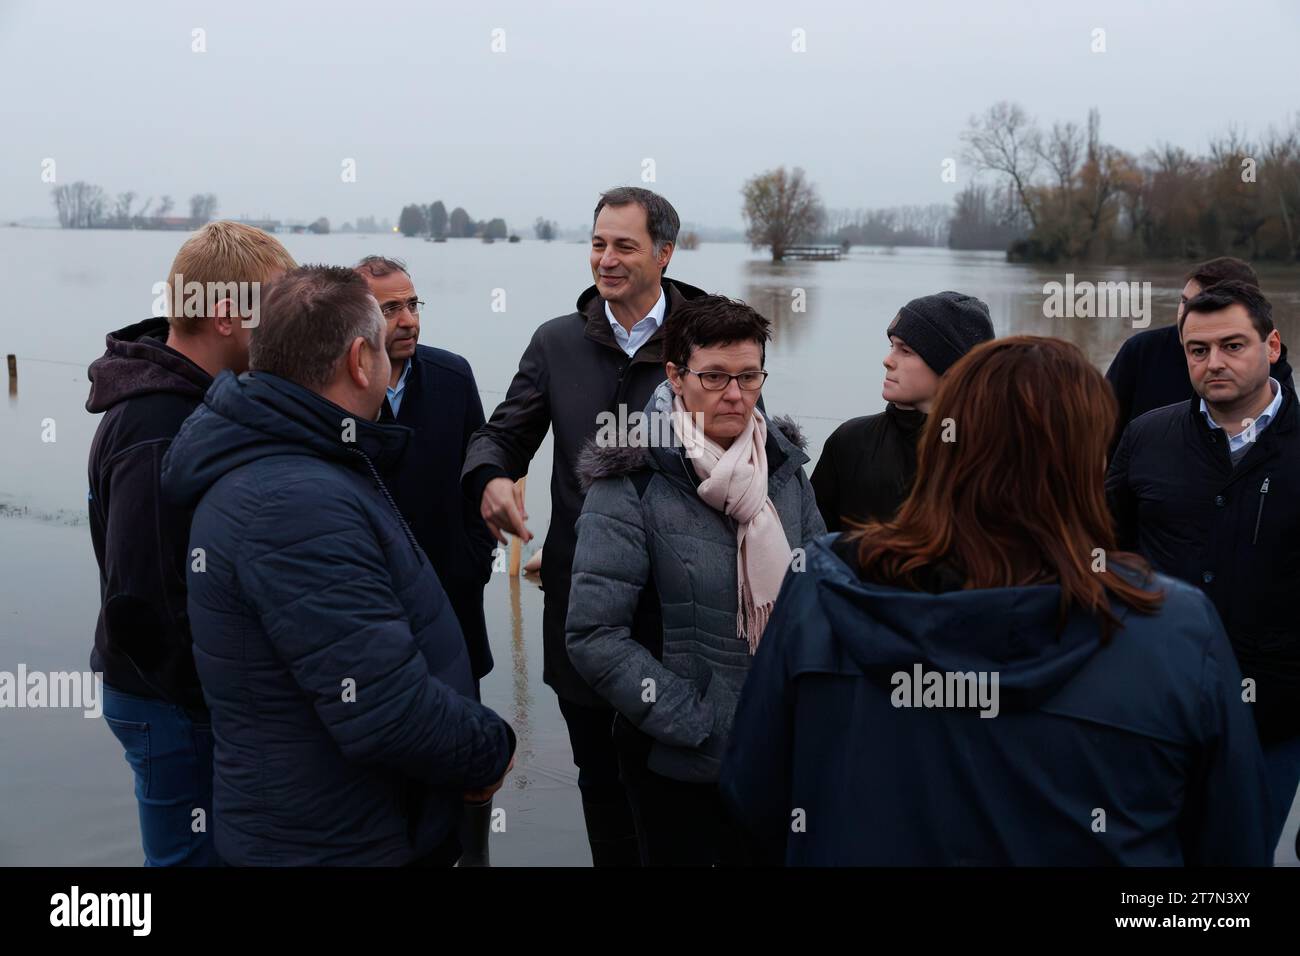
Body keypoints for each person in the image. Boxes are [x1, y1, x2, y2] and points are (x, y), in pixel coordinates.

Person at [721, 336, 1271, 866]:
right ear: (1087, 462)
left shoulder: (823, 588)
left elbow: (754, 796)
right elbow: (1231, 852)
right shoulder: (1170, 628)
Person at [161, 265, 515, 866]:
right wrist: (491, 747)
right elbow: (384, 710)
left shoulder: (299, 453)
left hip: (341, 821)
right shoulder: (291, 502)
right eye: (381, 343)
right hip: (338, 839)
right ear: (359, 360)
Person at [462, 187, 705, 866]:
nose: (605, 258)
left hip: (684, 606)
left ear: (665, 252)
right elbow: (503, 434)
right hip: (582, 601)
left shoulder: (708, 335)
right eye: (598, 243)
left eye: (624, 245)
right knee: (599, 780)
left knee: (681, 779)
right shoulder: (557, 342)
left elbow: (751, 453)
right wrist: (486, 477)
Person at [567, 295, 824, 865]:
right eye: (713, 376)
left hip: (780, 752)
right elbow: (593, 635)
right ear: (675, 377)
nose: (735, 394)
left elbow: (818, 601)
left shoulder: (785, 472)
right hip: (677, 762)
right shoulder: (630, 482)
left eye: (748, 376)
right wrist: (692, 719)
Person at [86, 221, 296, 866]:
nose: (286, 328)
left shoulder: (195, 405)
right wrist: (220, 701)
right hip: (171, 700)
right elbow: (143, 598)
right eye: (277, 307)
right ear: (229, 315)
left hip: (172, 691)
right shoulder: (158, 425)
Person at [1107, 279, 1300, 852]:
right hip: (1154, 710)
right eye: (1198, 350)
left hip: (1275, 716)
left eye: (1233, 346)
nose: (1213, 362)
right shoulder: (1147, 436)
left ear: (1273, 346)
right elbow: (1103, 552)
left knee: (1241, 861)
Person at [355, 255, 499, 865]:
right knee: (384, 764)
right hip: (371, 615)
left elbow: (478, 469)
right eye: (390, 309)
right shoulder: (335, 391)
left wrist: (477, 555)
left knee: (464, 762)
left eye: (413, 305)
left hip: (453, 604)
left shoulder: (451, 375)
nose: (408, 320)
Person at [811, 292, 993, 530]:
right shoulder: (849, 442)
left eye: (905, 350)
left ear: (951, 370)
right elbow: (812, 542)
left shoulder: (989, 456)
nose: (888, 360)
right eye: (892, 346)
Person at [1105, 257, 1292, 450]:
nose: (1184, 315)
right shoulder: (1142, 350)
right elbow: (1098, 427)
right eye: (1184, 302)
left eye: (1233, 346)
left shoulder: (1270, 370)